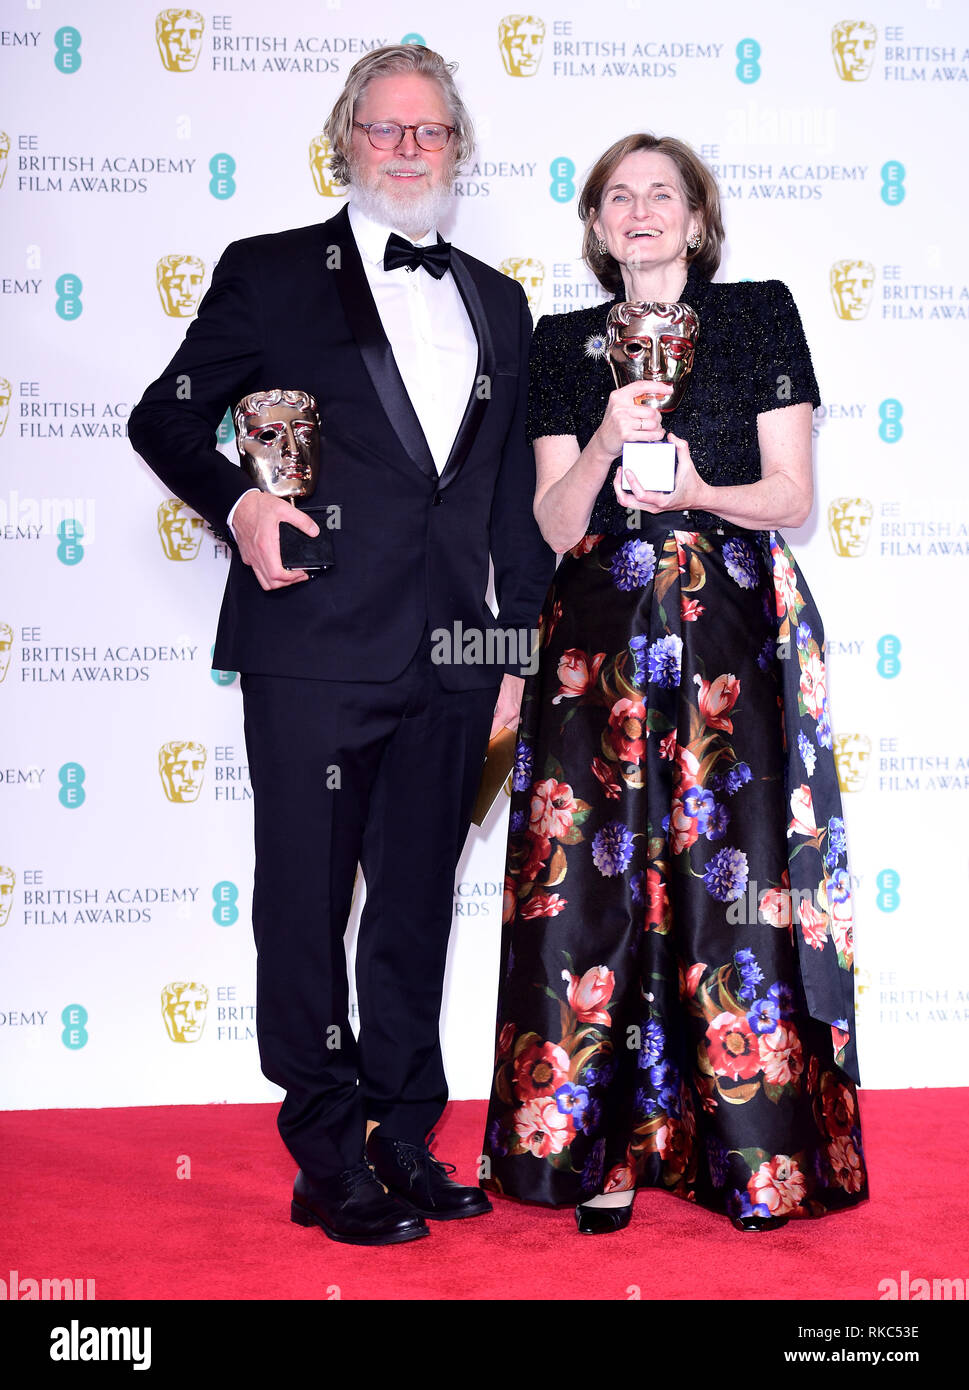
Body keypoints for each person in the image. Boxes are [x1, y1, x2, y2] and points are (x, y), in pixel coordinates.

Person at [128, 44, 552, 1247]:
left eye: (429, 131)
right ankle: (325, 1151)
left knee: (417, 905)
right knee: (309, 907)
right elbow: (162, 414)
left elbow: (515, 496)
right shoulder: (270, 274)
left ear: (457, 149)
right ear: (344, 141)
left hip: (456, 658)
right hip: (310, 643)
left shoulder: (498, 298)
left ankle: (405, 1133)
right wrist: (241, 503)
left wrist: (513, 641)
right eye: (384, 129)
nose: (407, 149)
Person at [480, 133, 868, 1234]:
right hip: (595, 640)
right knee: (588, 886)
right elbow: (557, 524)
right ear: (597, 226)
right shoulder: (559, 344)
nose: (640, 211)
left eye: (662, 194)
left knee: (727, 875)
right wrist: (606, 434)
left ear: (697, 219)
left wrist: (700, 481)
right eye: (618, 196)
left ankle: (748, 1154)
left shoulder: (758, 317)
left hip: (726, 639)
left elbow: (791, 495)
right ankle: (599, 1149)